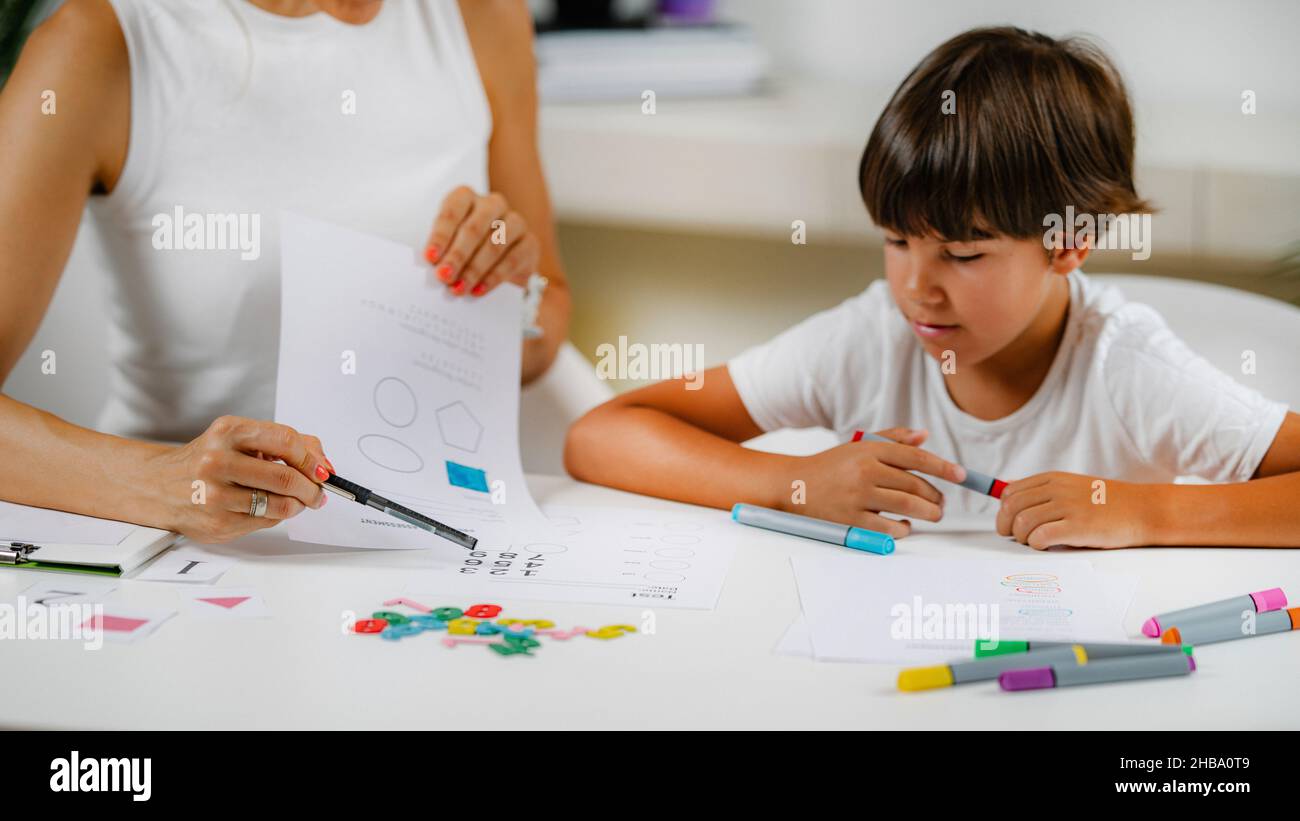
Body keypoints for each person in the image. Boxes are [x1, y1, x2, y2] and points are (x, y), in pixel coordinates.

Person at [565, 27, 1300, 549]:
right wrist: (794, 482)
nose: (917, 287)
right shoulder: (869, 338)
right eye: (895, 240)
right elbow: (601, 435)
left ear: (1071, 242)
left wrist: (1148, 514)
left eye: (964, 253)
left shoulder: (1127, 370)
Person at [0, 0, 570, 542]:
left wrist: (501, 307)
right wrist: (161, 481)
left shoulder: (481, 18)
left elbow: (544, 321)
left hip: (422, 529)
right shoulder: (102, 42)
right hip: (186, 554)